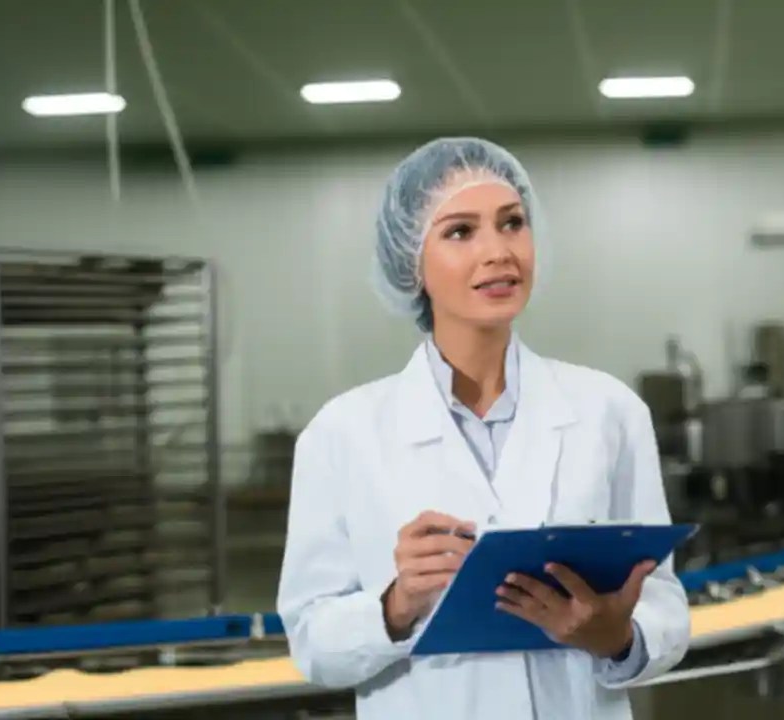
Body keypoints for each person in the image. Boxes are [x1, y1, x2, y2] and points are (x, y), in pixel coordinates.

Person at [276, 137, 690, 719]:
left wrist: (616, 638)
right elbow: (312, 643)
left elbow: (663, 602)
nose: (498, 252)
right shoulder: (342, 435)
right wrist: (397, 603)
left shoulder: (609, 412)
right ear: (410, 261)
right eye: (461, 231)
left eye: (512, 223)